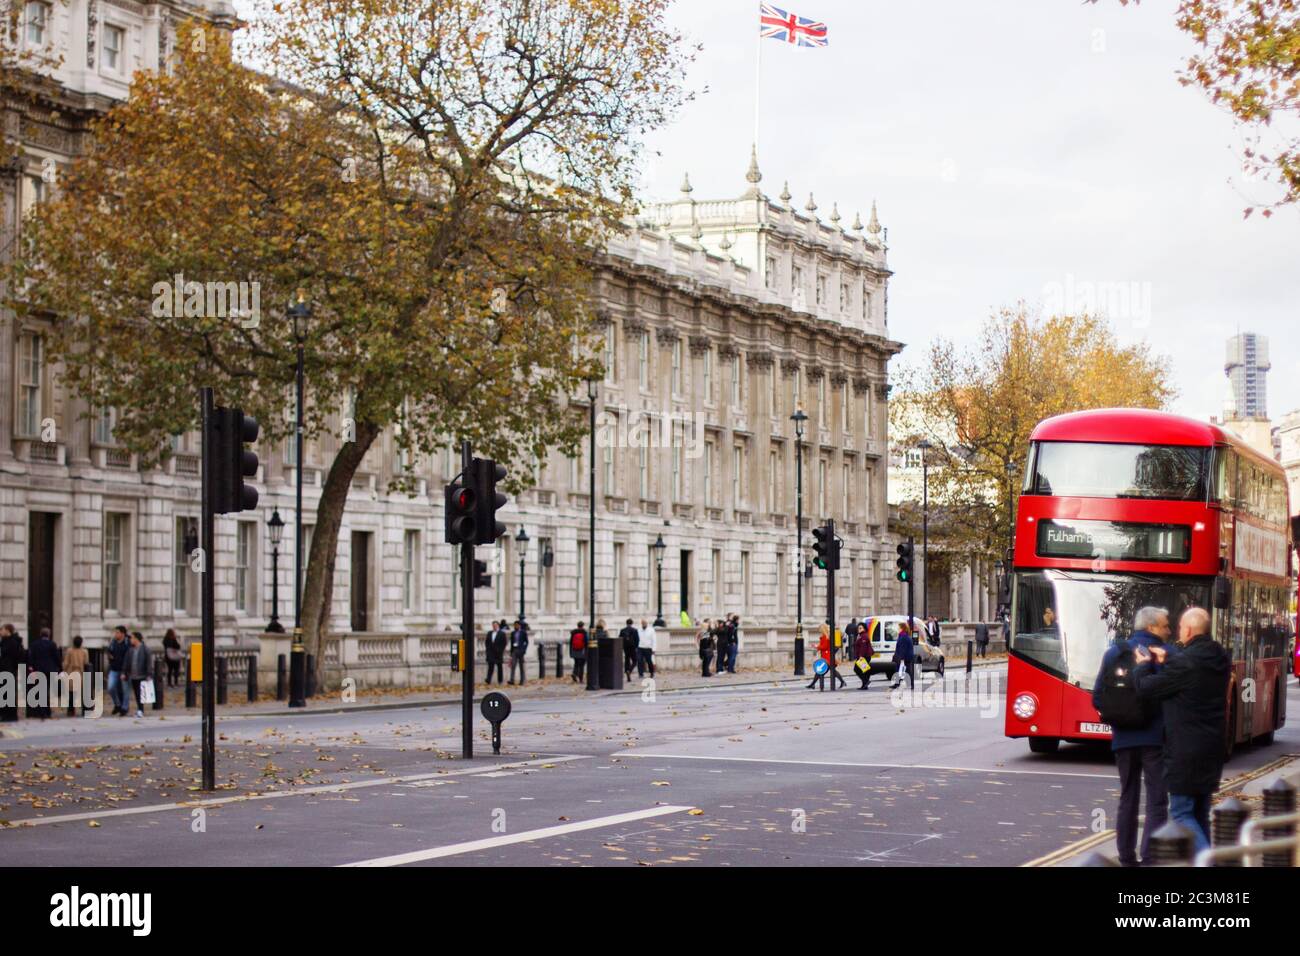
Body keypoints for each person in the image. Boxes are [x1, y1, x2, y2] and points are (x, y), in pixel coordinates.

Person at [1132, 606, 1230, 856]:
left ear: (1187, 630)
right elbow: (1192, 667)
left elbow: (1146, 688)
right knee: (1200, 813)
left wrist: (1143, 665)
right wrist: (1170, 659)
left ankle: (1208, 862)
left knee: (1180, 813)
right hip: (1212, 748)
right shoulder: (1219, 657)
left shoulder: (1186, 665)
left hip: (1185, 750)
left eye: (1179, 628)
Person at [1091, 606, 1171, 867]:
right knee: (1157, 800)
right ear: (1151, 628)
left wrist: (1117, 718)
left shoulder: (1115, 652)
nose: (1168, 631)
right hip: (1154, 739)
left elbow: (1097, 697)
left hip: (1123, 739)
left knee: (1128, 797)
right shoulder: (1163, 655)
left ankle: (1127, 858)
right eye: (1164, 626)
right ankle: (1150, 857)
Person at [27, 627, 59, 719]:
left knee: (40, 690)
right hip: (49, 670)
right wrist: (59, 668)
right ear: (49, 635)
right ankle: (46, 711)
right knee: (46, 690)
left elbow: (30, 657)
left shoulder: (34, 644)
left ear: (40, 634)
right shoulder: (52, 644)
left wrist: (31, 668)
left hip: (38, 670)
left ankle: (41, 711)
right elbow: (56, 657)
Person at [1, 624, 25, 722]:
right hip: (4, 669)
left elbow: (16, 657)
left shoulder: (12, 642)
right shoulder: (4, 641)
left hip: (9, 669)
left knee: (8, 693)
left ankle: (10, 715)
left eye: (2, 630)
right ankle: (4, 714)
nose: (0, 632)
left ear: (7, 630)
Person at [126, 631, 153, 718]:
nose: (130, 639)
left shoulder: (145, 649)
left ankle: (141, 710)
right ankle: (140, 709)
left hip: (142, 675)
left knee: (141, 694)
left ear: (136, 639)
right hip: (133, 675)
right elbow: (127, 662)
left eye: (132, 638)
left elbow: (149, 662)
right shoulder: (131, 649)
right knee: (137, 693)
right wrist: (124, 672)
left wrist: (149, 674)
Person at [63, 635, 90, 716]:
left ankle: (71, 710)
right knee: (82, 693)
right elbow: (86, 663)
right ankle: (84, 709)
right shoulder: (85, 651)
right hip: (80, 673)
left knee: (71, 693)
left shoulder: (69, 651)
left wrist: (64, 670)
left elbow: (66, 663)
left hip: (71, 673)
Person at [107, 625, 130, 716]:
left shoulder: (127, 643)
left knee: (125, 690)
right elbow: (109, 651)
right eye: (115, 632)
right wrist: (109, 656)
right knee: (111, 688)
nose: (115, 634)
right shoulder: (113, 642)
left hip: (124, 670)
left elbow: (129, 656)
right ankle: (117, 704)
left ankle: (124, 708)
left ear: (122, 634)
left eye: (117, 632)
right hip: (114, 668)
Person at [807, 623, 832, 691]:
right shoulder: (824, 637)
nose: (819, 631)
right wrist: (817, 646)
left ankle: (817, 686)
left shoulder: (826, 637)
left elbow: (824, 647)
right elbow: (823, 646)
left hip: (826, 657)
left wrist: (816, 646)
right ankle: (814, 685)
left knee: (821, 671)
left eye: (820, 630)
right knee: (820, 671)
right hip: (825, 656)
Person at [892, 622, 916, 689]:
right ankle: (898, 683)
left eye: (898, 627)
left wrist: (901, 658)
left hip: (905, 657)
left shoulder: (903, 637)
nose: (897, 629)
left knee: (905, 671)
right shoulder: (903, 636)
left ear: (902, 628)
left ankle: (910, 684)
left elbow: (903, 648)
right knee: (900, 670)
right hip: (905, 657)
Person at [853, 624, 875, 690]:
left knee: (856, 669)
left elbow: (863, 647)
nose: (859, 629)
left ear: (864, 629)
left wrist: (861, 656)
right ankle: (864, 685)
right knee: (864, 670)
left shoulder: (864, 636)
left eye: (861, 628)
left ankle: (866, 681)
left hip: (864, 656)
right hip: (863, 656)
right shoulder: (860, 636)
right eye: (858, 628)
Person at [484, 621, 506, 685]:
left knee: (499, 667)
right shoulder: (489, 633)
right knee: (490, 667)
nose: (494, 626)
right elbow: (487, 642)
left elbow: (504, 643)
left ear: (498, 626)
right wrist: (488, 650)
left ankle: (500, 680)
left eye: (495, 625)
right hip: (491, 653)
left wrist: (500, 650)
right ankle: (488, 679)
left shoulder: (502, 633)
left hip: (498, 653)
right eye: (493, 625)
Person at [508, 620, 529, 686]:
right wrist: (511, 652)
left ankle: (522, 681)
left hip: (521, 651)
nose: (516, 626)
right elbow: (511, 643)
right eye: (515, 625)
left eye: (517, 625)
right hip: (514, 650)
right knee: (513, 666)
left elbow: (526, 642)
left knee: (521, 666)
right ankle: (512, 680)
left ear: (519, 625)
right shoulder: (513, 633)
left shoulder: (523, 632)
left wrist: (524, 650)